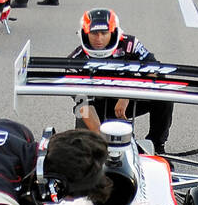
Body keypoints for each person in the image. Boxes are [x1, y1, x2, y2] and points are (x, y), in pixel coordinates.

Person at [68, 8, 173, 156]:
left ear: (113, 32)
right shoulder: (75, 62)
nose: (99, 39)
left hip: (127, 100)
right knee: (86, 149)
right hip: (94, 106)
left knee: (164, 94)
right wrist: (101, 138)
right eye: (94, 33)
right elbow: (83, 104)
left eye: (104, 33)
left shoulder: (130, 45)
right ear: (85, 34)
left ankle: (157, 145)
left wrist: (127, 94)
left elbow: (155, 72)